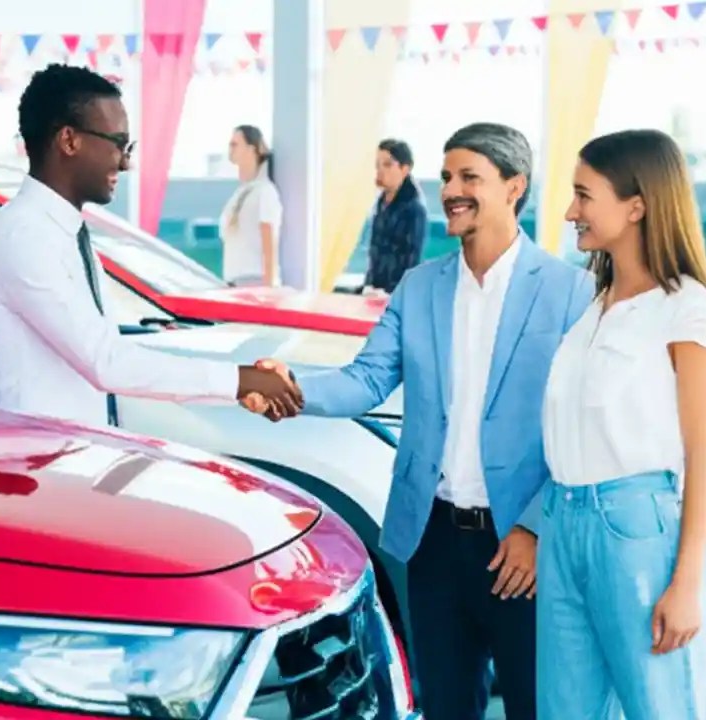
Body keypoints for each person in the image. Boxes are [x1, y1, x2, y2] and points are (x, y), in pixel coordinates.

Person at [248, 122, 594, 720]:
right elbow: (367, 378)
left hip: (522, 546)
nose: (451, 190)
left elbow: (580, 428)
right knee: (443, 706)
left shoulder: (571, 292)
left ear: (515, 187)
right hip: (431, 540)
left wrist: (537, 528)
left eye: (469, 177)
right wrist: (292, 390)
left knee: (537, 705)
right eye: (447, 176)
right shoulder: (419, 286)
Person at [0, 64, 301, 426]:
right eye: (117, 144)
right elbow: (106, 362)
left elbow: (107, 357)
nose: (126, 162)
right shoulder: (25, 237)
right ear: (69, 141)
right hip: (34, 468)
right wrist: (242, 381)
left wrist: (236, 387)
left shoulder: (62, 230)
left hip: (70, 458)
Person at [540, 128, 706, 719]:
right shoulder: (595, 307)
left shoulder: (684, 308)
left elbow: (704, 453)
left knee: (659, 708)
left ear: (636, 206)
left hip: (635, 530)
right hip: (563, 524)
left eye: (583, 195)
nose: (571, 211)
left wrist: (687, 582)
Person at [219, 125, 282, 286]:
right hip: (233, 281)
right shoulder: (239, 194)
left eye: (235, 144)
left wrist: (269, 289)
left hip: (254, 281)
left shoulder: (265, 191)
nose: (230, 149)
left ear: (251, 149)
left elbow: (269, 242)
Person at [363, 138, 428, 295]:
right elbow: (375, 252)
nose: (380, 170)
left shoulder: (414, 209)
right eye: (377, 165)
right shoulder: (381, 205)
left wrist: (390, 293)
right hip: (374, 291)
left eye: (387, 165)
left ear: (405, 169)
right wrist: (368, 285)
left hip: (396, 295)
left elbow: (411, 260)